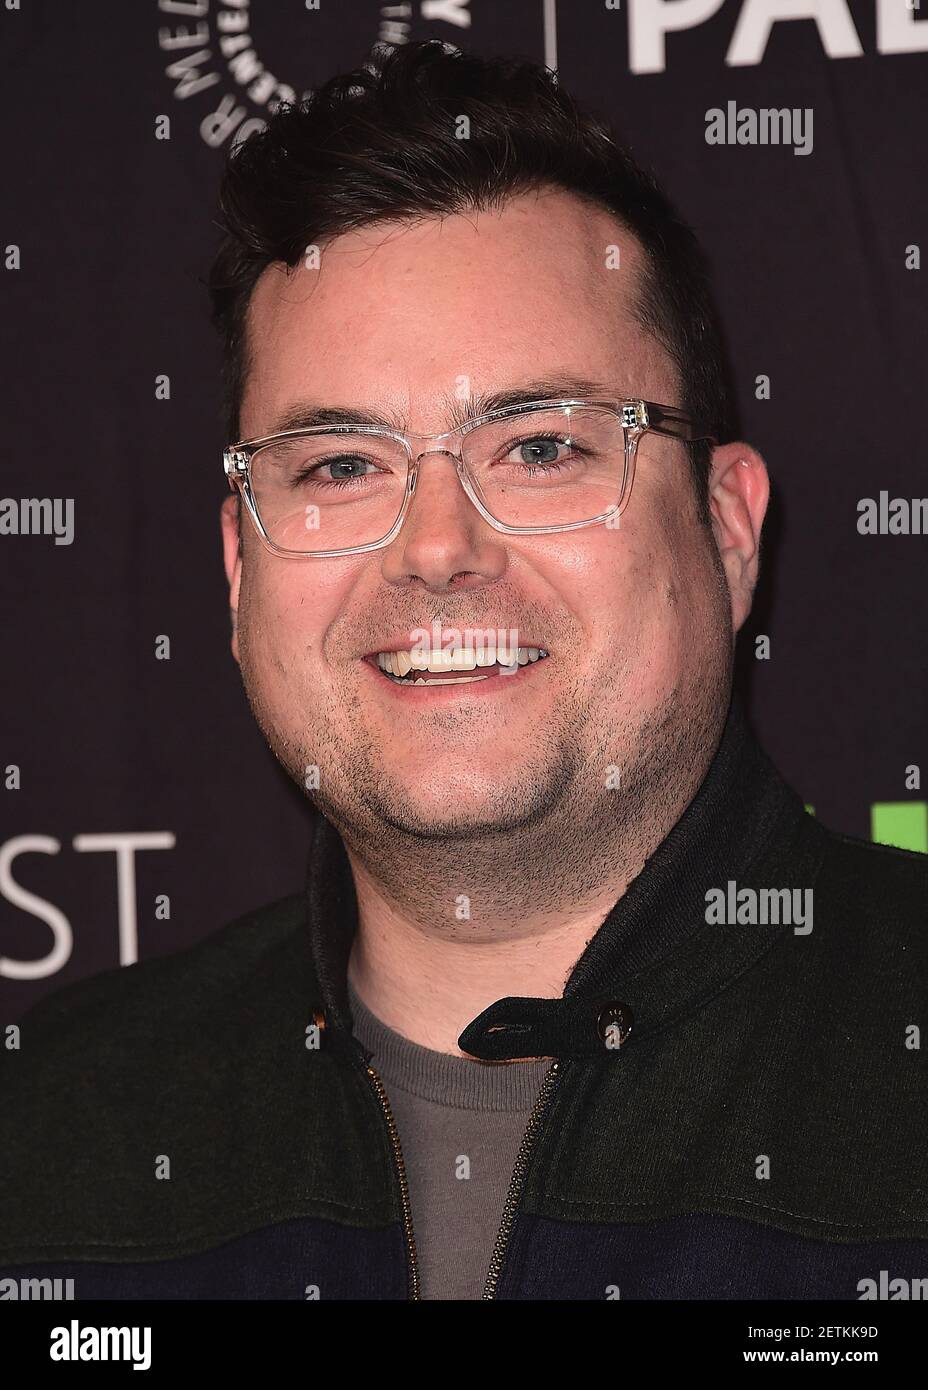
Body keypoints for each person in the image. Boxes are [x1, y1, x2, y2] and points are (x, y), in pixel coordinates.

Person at [1, 40, 925, 1302]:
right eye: (338, 465)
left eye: (541, 446)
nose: (437, 548)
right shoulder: (51, 1134)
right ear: (236, 566)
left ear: (726, 530)